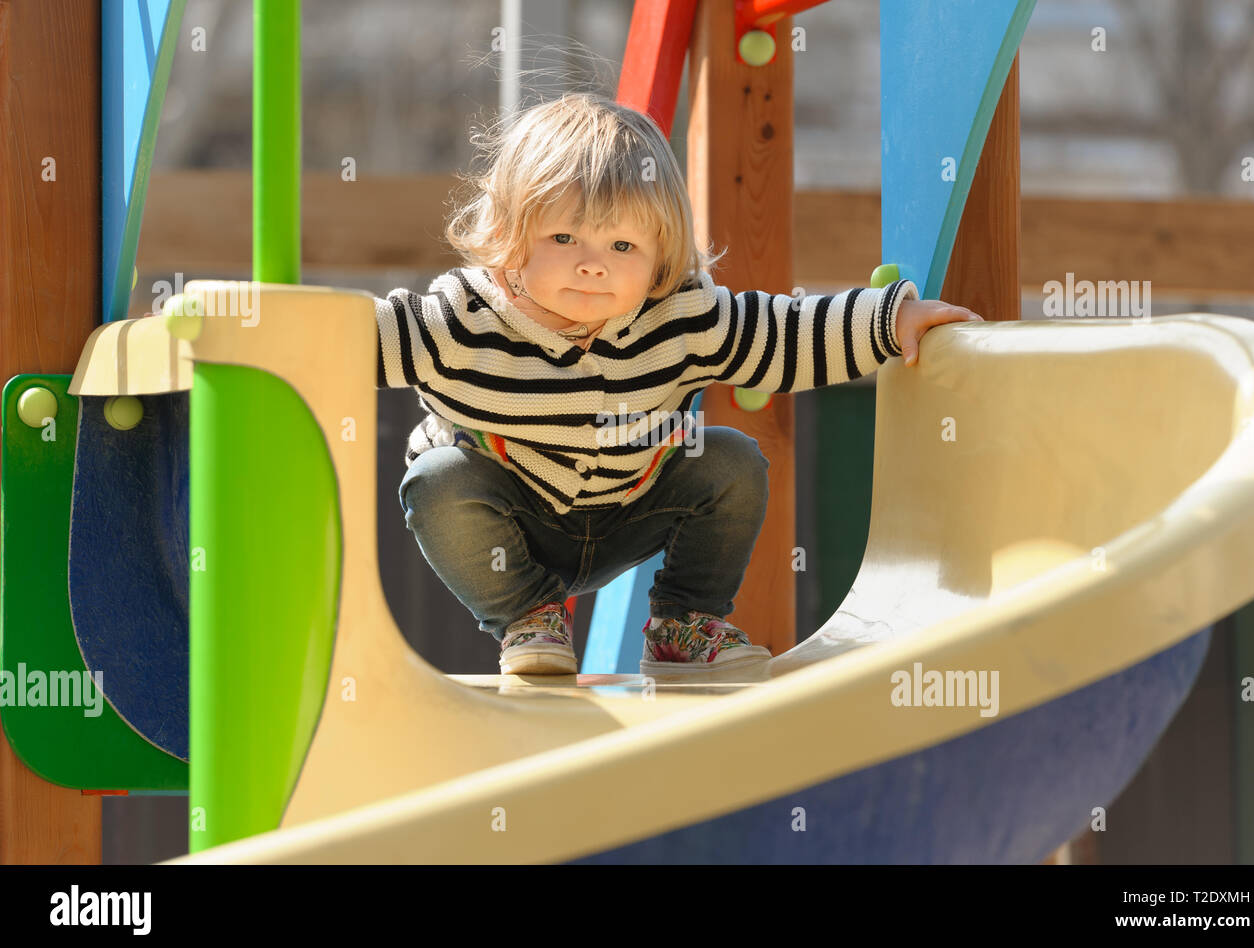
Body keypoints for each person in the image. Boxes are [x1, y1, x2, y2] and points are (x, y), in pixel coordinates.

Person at [376, 92, 982, 677]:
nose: (594, 264)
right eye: (564, 238)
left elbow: (780, 333)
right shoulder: (460, 324)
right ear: (512, 233)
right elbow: (362, 339)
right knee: (438, 483)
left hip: (630, 511)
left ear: (660, 254)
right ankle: (529, 618)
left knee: (730, 461)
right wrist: (284, 325)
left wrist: (885, 321)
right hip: (514, 524)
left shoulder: (679, 317)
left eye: (623, 245)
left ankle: (683, 628)